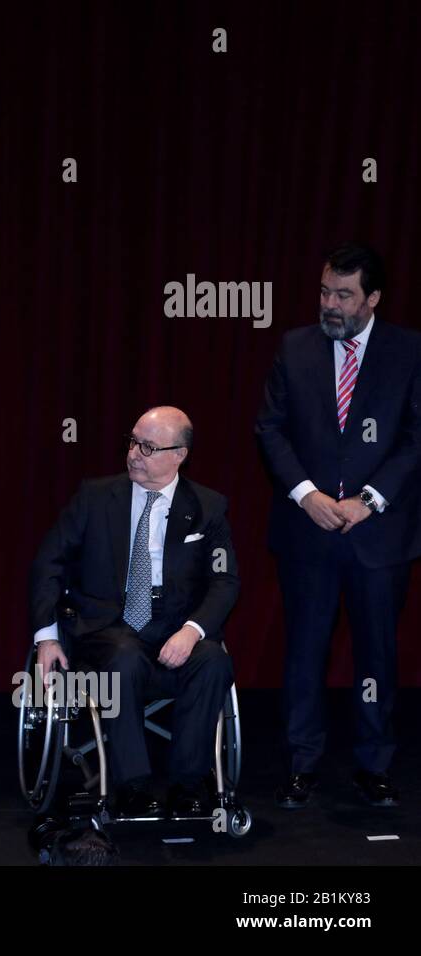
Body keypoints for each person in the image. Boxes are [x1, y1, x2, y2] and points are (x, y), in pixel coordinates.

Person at [255, 242, 421, 809]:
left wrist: (368, 500)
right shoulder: (294, 347)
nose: (330, 304)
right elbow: (270, 430)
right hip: (308, 533)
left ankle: (374, 764)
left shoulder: (409, 352)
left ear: (372, 298)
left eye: (344, 295)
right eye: (325, 291)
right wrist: (306, 495)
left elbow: (414, 439)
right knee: (304, 651)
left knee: (377, 655)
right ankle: (302, 763)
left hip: (379, 536)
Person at [30, 407, 239, 816]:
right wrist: (47, 636)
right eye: (132, 441)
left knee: (213, 661)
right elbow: (47, 564)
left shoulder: (208, 507)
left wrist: (193, 630)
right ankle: (132, 785)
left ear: (179, 454)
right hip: (106, 625)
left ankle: (188, 784)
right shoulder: (94, 497)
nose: (133, 454)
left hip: (176, 624)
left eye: (148, 447)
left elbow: (224, 580)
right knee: (123, 656)